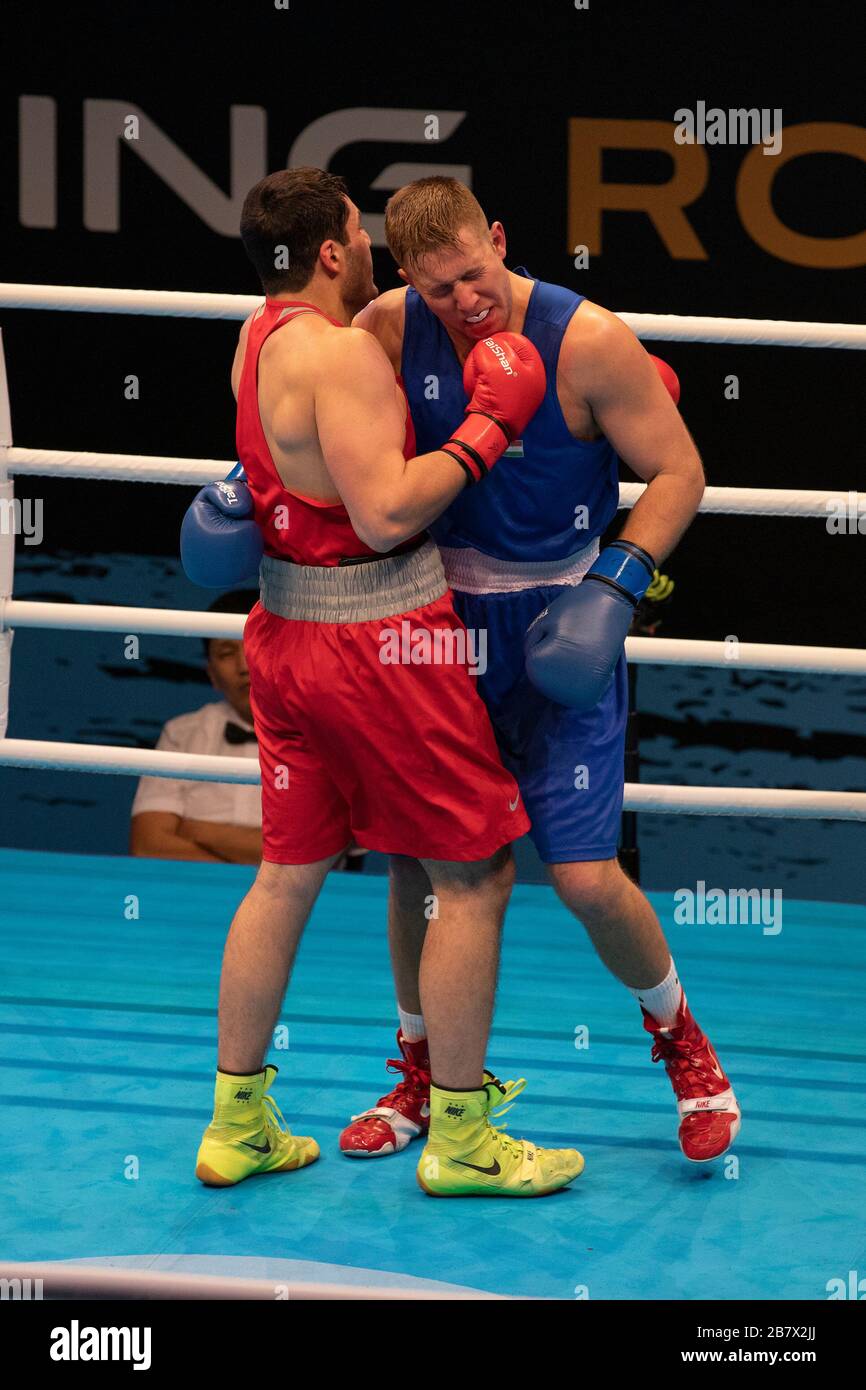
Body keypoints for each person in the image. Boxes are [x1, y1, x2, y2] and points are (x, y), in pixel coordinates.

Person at [192, 167, 585, 1198]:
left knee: (286, 874)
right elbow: (382, 512)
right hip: (382, 642)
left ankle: (236, 1121)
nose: (370, 254)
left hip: (281, 631)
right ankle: (459, 1137)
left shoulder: (256, 339)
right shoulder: (342, 356)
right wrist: (488, 425)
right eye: (359, 240)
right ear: (331, 250)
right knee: (473, 877)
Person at [337, 177, 739, 1167]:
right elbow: (337, 440)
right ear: (402, 278)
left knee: (586, 876)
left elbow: (678, 471)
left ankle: (683, 1043)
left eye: (474, 275)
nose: (464, 301)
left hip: (562, 611)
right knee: (419, 867)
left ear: (500, 240)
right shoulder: (387, 329)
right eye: (438, 288)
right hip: (435, 621)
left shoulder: (588, 339)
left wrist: (618, 580)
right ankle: (423, 1074)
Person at [130, 590, 262, 864]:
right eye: (226, 653)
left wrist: (198, 830)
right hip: (195, 895)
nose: (243, 666)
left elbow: (323, 857)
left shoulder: (328, 731)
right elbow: (148, 846)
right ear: (212, 675)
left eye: (257, 643)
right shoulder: (181, 733)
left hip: (305, 904)